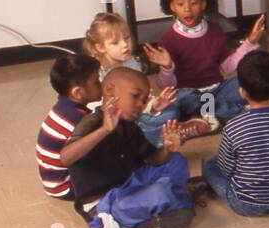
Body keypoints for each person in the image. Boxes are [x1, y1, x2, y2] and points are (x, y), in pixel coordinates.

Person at [63, 66, 195, 228]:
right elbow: (66, 158)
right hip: (103, 202)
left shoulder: (130, 127)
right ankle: (121, 219)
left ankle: (159, 204)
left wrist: (168, 148)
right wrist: (104, 129)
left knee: (176, 161)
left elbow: (153, 159)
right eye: (135, 96)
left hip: (130, 185)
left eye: (145, 100)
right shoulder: (91, 123)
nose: (141, 105)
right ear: (110, 91)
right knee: (159, 193)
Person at [201, 50, 269, 217]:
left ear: (243, 92)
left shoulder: (233, 127)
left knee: (209, 163)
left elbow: (225, 169)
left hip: (245, 204)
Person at [83, 11, 208, 145]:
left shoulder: (132, 63)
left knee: (172, 109)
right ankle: (169, 135)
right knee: (131, 131)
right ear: (100, 47)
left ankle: (165, 133)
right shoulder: (95, 74)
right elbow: (94, 110)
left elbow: (143, 97)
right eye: (115, 42)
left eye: (127, 38)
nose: (125, 45)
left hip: (139, 113)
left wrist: (154, 106)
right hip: (115, 121)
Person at [153, 0, 264, 126]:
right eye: (180, 4)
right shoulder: (167, 38)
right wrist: (167, 67)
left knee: (248, 81)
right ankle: (238, 114)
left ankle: (210, 115)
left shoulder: (215, 30)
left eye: (194, 2)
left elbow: (228, 67)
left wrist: (250, 41)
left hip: (217, 88)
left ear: (203, 4)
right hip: (189, 93)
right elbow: (165, 85)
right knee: (182, 98)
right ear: (172, 6)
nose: (187, 8)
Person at [36, 54, 102, 200]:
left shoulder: (63, 108)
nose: (101, 85)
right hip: (66, 186)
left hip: (52, 182)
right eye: (97, 82)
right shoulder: (79, 121)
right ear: (78, 92)